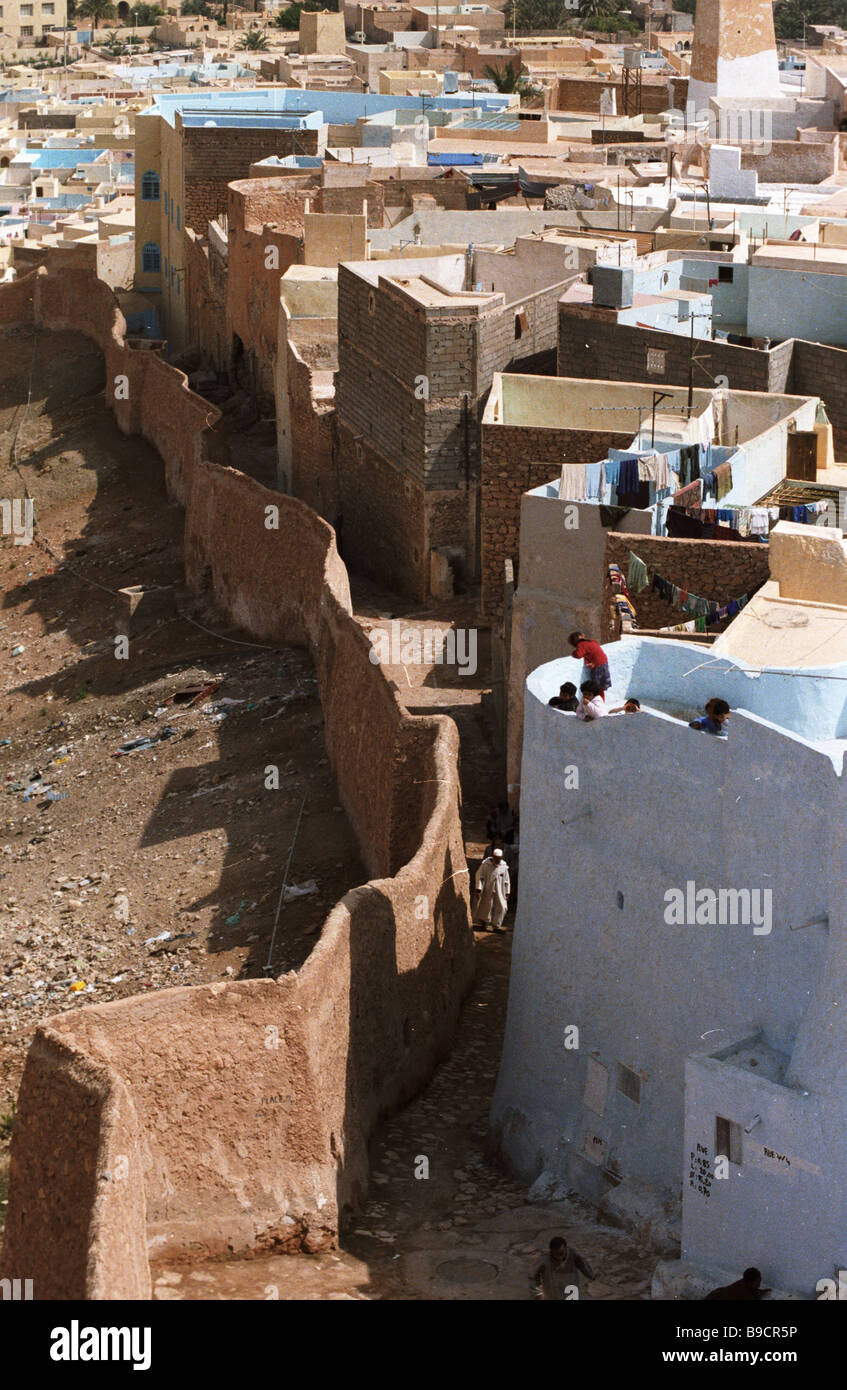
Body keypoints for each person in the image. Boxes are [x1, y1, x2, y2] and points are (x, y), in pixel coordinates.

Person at [531, 1236, 595, 1301]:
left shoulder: (574, 1255)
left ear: (566, 1249)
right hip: (552, 1295)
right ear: (551, 1251)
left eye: (561, 1253)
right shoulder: (544, 1260)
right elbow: (532, 1277)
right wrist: (537, 1293)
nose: (559, 1257)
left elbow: (584, 1266)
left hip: (570, 1294)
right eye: (556, 1254)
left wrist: (591, 1276)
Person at [474, 846, 510, 932]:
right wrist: (479, 889)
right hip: (487, 888)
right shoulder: (485, 864)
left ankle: (496, 926)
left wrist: (507, 892)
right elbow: (480, 876)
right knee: (486, 906)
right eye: (496, 858)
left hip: (500, 890)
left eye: (499, 858)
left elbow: (507, 880)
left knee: (502, 907)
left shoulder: (504, 866)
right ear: (492, 856)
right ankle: (484, 924)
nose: (497, 860)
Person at [704, 1267, 771, 1301]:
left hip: (719, 1293)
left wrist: (763, 1292)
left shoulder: (746, 1281)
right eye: (758, 1282)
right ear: (750, 1283)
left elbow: (755, 1291)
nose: (759, 1284)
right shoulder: (745, 1292)